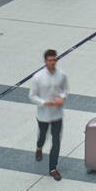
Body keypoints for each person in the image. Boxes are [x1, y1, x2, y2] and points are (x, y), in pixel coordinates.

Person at [28, 49, 68, 181]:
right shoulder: (37, 77)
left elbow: (65, 90)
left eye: (54, 60)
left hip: (57, 115)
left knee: (56, 141)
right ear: (45, 61)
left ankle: (53, 168)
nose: (52, 63)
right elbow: (32, 96)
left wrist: (61, 98)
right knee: (43, 136)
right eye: (50, 60)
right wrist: (45, 103)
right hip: (43, 115)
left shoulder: (61, 75)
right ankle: (39, 147)